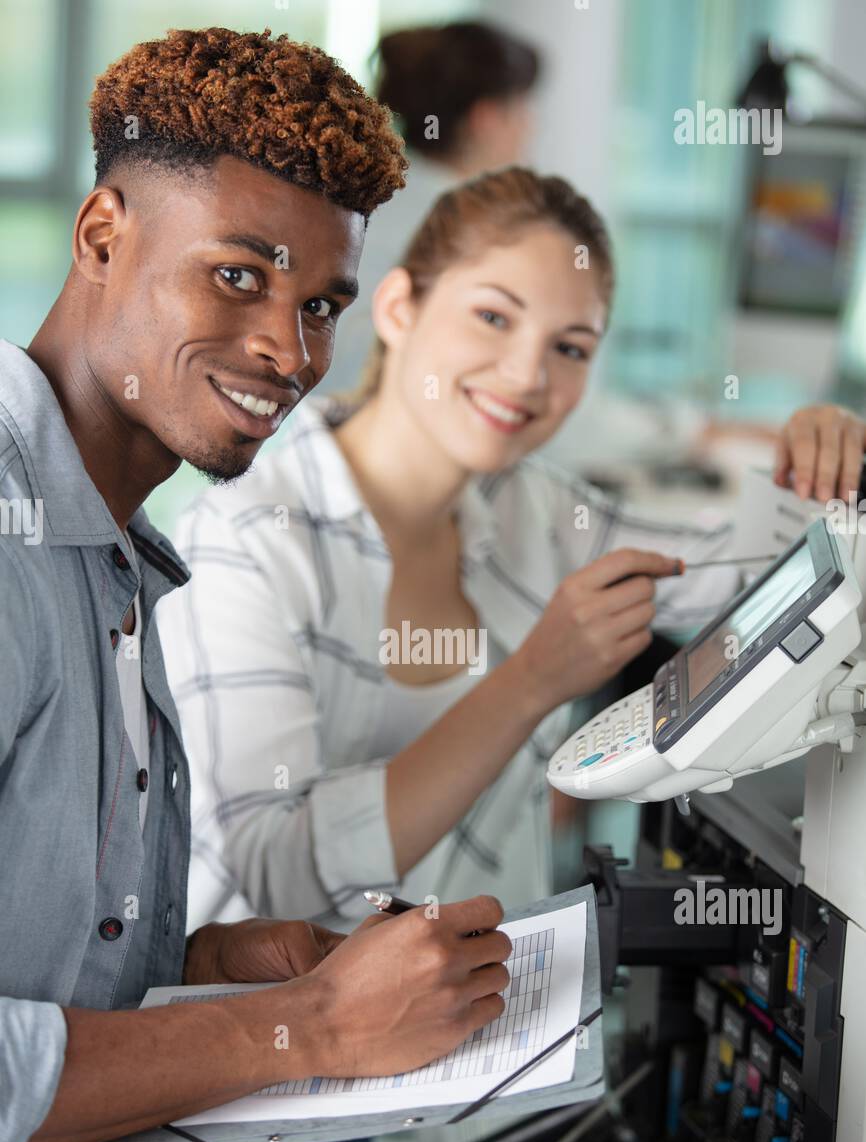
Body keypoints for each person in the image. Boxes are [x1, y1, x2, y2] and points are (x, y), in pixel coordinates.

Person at [0, 25, 513, 1142]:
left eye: (320, 303)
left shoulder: (116, 561)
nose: (291, 352)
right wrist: (314, 1028)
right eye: (236, 277)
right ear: (101, 233)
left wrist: (199, 973)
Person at [159, 165, 864, 943]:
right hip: (300, 1037)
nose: (528, 375)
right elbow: (274, 868)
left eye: (569, 347)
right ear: (399, 307)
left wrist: (814, 461)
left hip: (509, 1011)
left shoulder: (538, 509)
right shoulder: (241, 542)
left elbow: (755, 583)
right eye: (493, 318)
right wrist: (531, 683)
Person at [324, 20, 540, 392]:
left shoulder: (352, 196)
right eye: (521, 111)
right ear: (486, 119)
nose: (529, 129)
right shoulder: (486, 228)